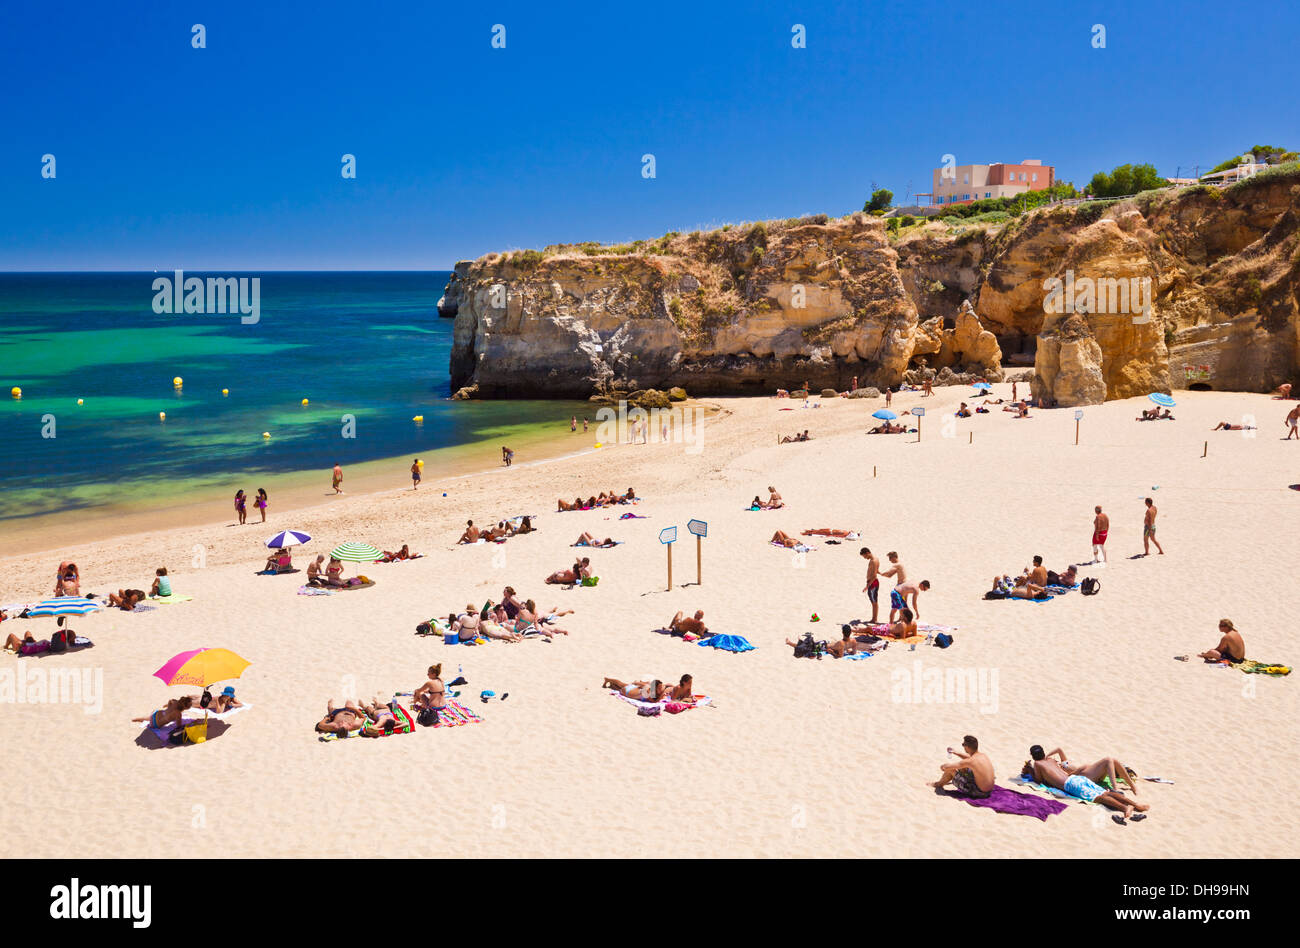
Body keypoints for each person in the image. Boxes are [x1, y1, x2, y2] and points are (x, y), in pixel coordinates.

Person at [1024, 745, 1149, 824]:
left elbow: (1039, 781)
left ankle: (1125, 808)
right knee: (1106, 792)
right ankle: (1135, 804)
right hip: (1076, 778)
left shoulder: (1038, 764)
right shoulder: (1050, 760)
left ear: (1033, 756)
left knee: (1099, 798)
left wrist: (1030, 770)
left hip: (1070, 784)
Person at [1037, 746, 1140, 796]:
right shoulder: (1059, 769)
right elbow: (1069, 777)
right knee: (1108, 759)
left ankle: (1133, 787)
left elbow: (1059, 749)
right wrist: (1079, 770)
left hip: (1089, 772)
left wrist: (1047, 756)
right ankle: (1116, 789)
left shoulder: (1063, 762)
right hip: (1084, 776)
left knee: (1114, 761)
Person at [930, 735, 994, 799]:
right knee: (963, 767)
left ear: (967, 747)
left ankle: (938, 784)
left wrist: (943, 766)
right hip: (989, 791)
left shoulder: (970, 761)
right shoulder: (983, 755)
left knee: (950, 770)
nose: (963, 746)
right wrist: (955, 752)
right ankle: (951, 779)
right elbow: (970, 758)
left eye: (963, 744)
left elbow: (946, 768)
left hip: (979, 793)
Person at [860, 547, 882, 623]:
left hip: (873, 583)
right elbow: (876, 571)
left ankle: (874, 619)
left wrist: (867, 586)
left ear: (867, 553)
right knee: (873, 601)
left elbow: (874, 576)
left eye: (864, 556)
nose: (865, 558)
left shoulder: (873, 561)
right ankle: (874, 618)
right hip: (872, 582)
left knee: (874, 602)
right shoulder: (875, 559)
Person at [602, 677, 666, 701]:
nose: (661, 689)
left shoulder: (649, 688)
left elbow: (640, 684)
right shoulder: (649, 692)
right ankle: (609, 682)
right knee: (620, 687)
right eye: (659, 688)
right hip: (627, 692)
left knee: (621, 684)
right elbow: (654, 702)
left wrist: (635, 683)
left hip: (633, 689)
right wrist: (661, 696)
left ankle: (609, 681)